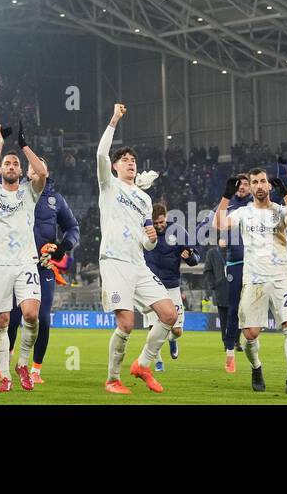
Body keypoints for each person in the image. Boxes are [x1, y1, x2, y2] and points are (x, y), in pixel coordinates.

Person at [95, 104, 178, 394]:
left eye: (133, 160)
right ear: (115, 166)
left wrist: (152, 237)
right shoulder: (109, 185)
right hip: (114, 261)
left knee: (169, 314)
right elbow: (100, 154)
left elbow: (148, 242)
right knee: (127, 323)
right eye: (125, 160)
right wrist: (114, 120)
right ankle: (112, 379)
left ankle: (143, 364)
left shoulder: (144, 199)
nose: (130, 163)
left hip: (138, 263)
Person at [215, 168, 287, 394]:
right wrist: (226, 197)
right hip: (254, 279)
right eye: (254, 182)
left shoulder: (280, 210)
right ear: (251, 187)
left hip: (282, 276)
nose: (259, 185)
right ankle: (256, 366)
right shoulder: (244, 212)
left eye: (262, 181)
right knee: (250, 334)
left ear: (268, 186)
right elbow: (219, 225)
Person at [0, 121, 48, 392]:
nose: (10, 166)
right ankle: (5, 374)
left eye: (15, 164)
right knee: (1, 322)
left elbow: (41, 172)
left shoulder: (29, 193)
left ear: (20, 171)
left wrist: (23, 146)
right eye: (7, 164)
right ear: (1, 170)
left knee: (31, 315)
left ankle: (22, 364)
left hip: (25, 262)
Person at [7, 143, 79, 386]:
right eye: (33, 168)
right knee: (13, 317)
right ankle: (5, 365)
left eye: (42, 168)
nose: (37, 171)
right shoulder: (15, 192)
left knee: (42, 318)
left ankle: (35, 369)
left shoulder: (55, 200)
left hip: (43, 266)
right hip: (15, 264)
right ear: (27, 173)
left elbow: (73, 228)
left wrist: (62, 248)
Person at [131, 200, 199, 376]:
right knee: (154, 326)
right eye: (155, 223)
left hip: (171, 286)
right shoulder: (144, 231)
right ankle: (158, 361)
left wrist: (190, 257)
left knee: (177, 330)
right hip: (151, 287)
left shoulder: (177, 231)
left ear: (166, 217)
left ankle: (172, 340)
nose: (159, 226)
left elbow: (195, 255)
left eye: (161, 222)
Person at [219, 173, 252, 372]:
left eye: (246, 184)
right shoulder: (228, 204)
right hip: (234, 263)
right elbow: (213, 223)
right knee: (233, 309)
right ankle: (230, 352)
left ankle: (250, 345)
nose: (242, 187)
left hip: (255, 263)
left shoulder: (256, 204)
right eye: (239, 184)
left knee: (250, 308)